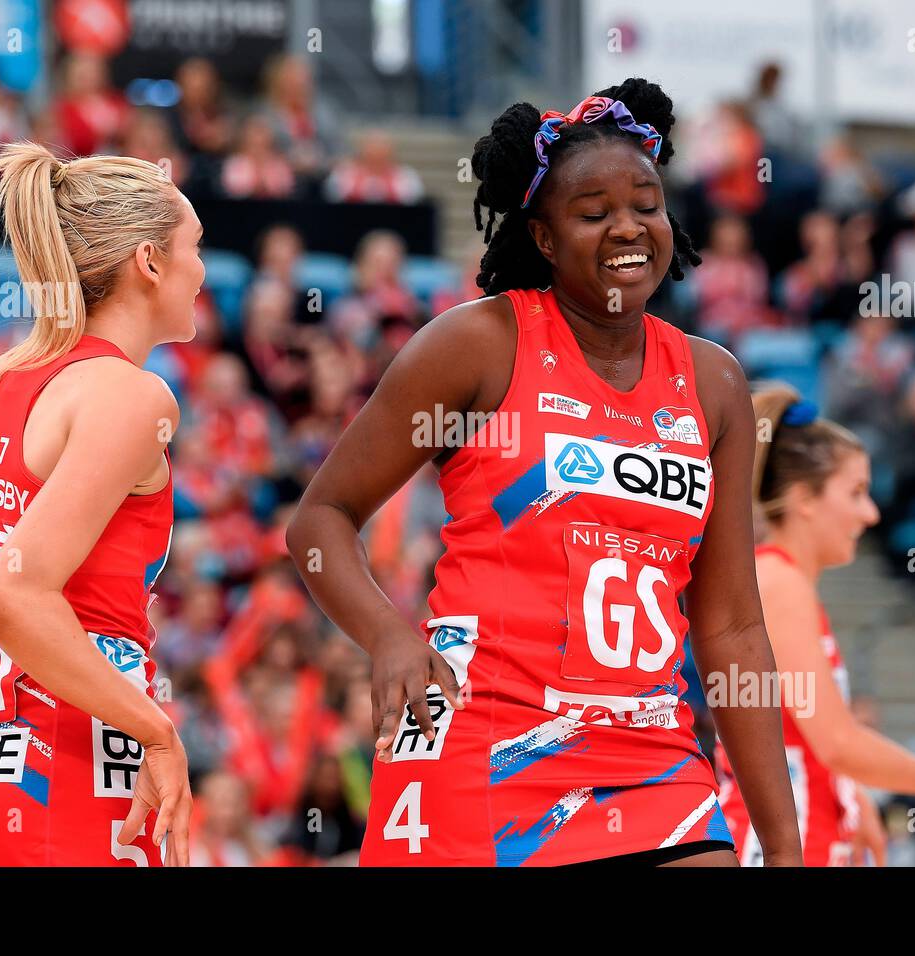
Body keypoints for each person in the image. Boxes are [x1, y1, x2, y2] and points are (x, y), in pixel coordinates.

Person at [287, 78, 804, 866]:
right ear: (544, 238)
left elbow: (731, 624)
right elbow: (319, 520)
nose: (628, 227)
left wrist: (784, 844)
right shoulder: (478, 345)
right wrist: (387, 634)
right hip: (479, 736)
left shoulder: (713, 382)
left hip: (650, 755)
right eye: (593, 214)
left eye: (647, 204)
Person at [0, 141, 205, 865]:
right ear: (149, 262)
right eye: (195, 248)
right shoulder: (131, 394)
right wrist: (155, 731)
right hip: (70, 779)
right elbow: (13, 596)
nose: (203, 271)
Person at [715, 384, 915, 866]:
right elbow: (836, 741)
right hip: (776, 842)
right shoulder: (779, 581)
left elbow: (799, 735)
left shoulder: (784, 580)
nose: (871, 512)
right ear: (805, 500)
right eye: (856, 492)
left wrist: (850, 795)